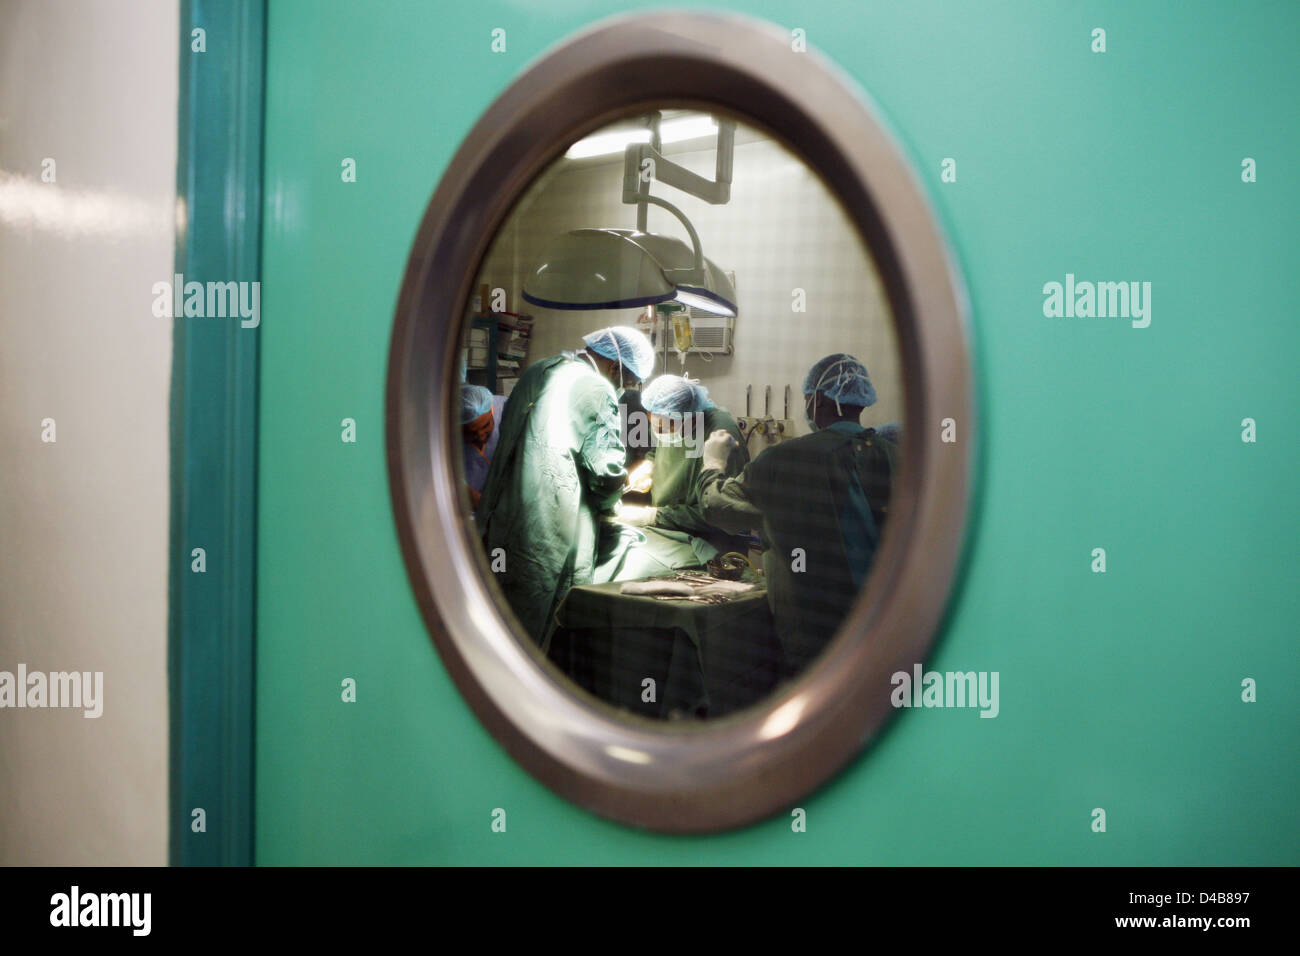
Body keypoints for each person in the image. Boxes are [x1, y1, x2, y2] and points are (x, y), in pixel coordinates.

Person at [695, 353, 897, 675]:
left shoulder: (785, 460)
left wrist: (712, 465)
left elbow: (717, 507)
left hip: (815, 627)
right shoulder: (892, 454)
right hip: (883, 620)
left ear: (817, 400)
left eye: (807, 397)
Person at [476, 326, 656, 649]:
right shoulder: (598, 390)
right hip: (546, 539)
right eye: (626, 382)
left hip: (502, 522)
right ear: (614, 367)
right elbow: (606, 473)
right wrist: (627, 482)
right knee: (535, 641)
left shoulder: (538, 371)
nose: (623, 389)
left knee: (498, 627)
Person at [619, 374, 750, 555]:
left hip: (711, 545)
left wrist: (654, 516)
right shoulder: (667, 419)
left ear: (690, 417)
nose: (659, 432)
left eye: (665, 428)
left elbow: (725, 513)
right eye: (654, 426)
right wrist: (649, 465)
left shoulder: (721, 436)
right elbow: (658, 447)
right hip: (669, 530)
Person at [460, 383, 507, 509]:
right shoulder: (444, 438)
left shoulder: (507, 412)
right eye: (470, 433)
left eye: (486, 426)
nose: (481, 437)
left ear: (491, 410)